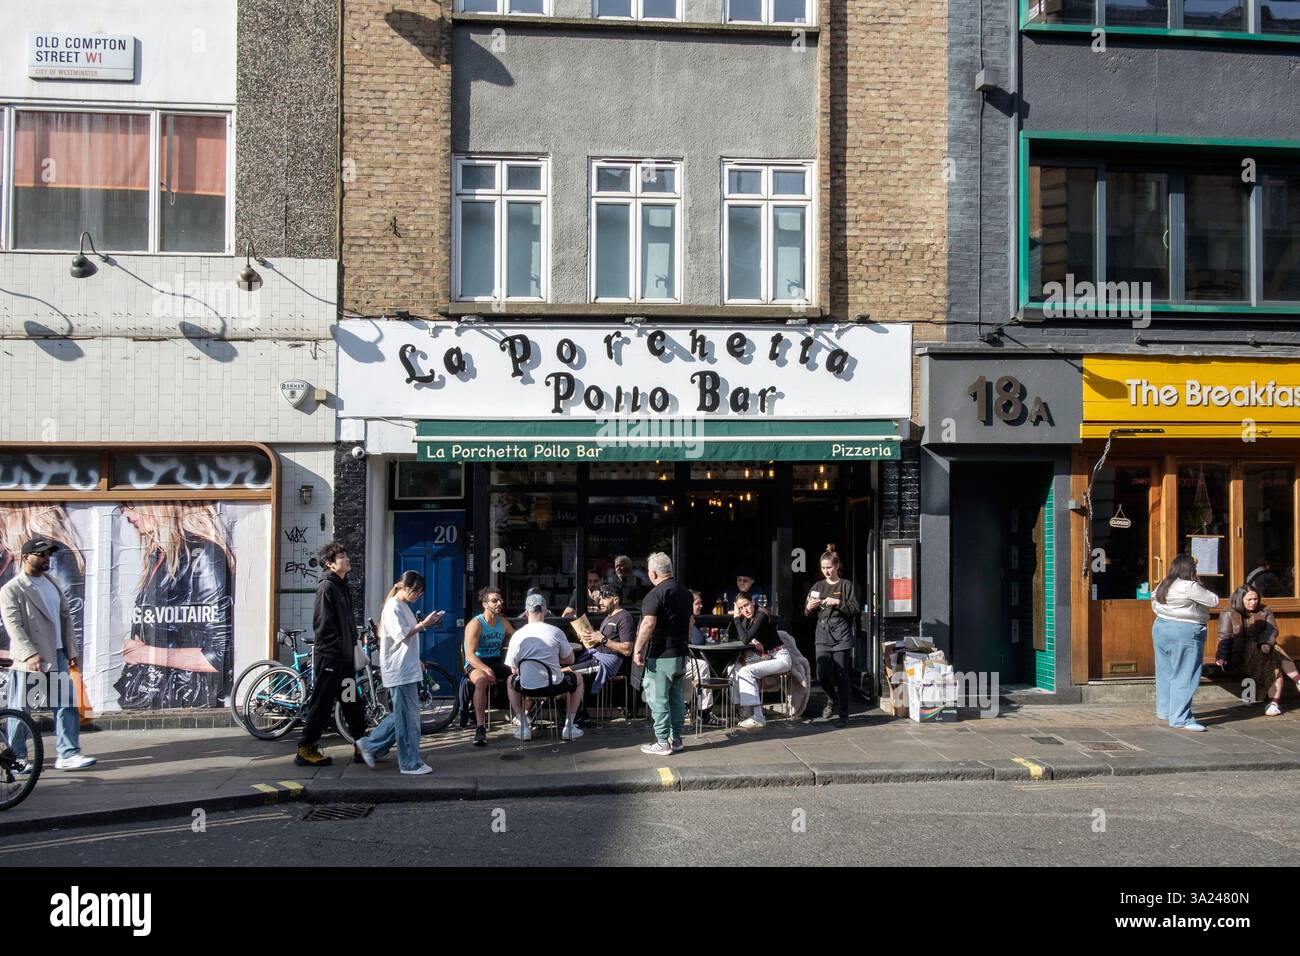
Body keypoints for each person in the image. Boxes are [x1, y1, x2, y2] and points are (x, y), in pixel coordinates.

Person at [114, 503, 235, 709]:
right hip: (148, 694)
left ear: (163, 505)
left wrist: (144, 653)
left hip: (184, 699)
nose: (125, 513)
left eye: (131, 504)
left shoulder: (203, 555)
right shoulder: (158, 556)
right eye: (122, 507)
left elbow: (217, 657)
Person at [0, 536, 96, 770]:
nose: (47, 558)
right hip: (33, 658)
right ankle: (16, 759)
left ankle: (68, 754)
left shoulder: (52, 583)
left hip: (58, 654)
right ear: (25, 557)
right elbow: (14, 626)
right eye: (41, 554)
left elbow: (64, 619)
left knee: (66, 704)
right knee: (21, 709)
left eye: (48, 554)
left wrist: (70, 650)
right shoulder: (13, 589)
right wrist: (30, 654)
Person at [356, 571, 443, 775]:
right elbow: (401, 635)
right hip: (400, 669)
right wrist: (424, 624)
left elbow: (405, 640)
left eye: (420, 593)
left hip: (406, 667)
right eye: (416, 592)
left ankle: (369, 746)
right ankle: (409, 763)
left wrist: (417, 660)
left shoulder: (402, 606)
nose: (417, 596)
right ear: (404, 587)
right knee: (408, 719)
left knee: (402, 716)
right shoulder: (394, 607)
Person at [296, 542, 367, 766]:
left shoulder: (342, 585)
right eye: (342, 556)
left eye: (346, 555)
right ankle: (306, 749)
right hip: (331, 658)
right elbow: (323, 625)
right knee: (322, 703)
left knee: (351, 701)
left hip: (344, 659)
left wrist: (353, 642)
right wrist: (338, 648)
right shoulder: (327, 587)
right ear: (330, 563)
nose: (347, 559)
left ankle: (361, 746)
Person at [1151, 552, 1219, 732]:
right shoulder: (1190, 586)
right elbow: (1213, 601)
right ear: (1191, 569)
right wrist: (1198, 582)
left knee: (1165, 672)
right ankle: (1181, 718)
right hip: (1185, 631)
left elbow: (1154, 602)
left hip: (1161, 627)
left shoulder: (1164, 583)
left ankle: (1165, 711)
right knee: (1185, 674)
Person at [634, 552, 692, 755]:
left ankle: (662, 742)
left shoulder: (656, 594)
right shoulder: (685, 592)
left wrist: (638, 649)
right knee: (676, 698)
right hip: (679, 653)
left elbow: (648, 623)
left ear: (653, 573)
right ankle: (676, 739)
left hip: (660, 655)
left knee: (658, 699)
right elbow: (690, 623)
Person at [504, 593, 584, 741]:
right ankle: (569, 726)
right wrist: (553, 657)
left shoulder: (517, 635)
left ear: (526, 612)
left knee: (510, 680)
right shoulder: (555, 632)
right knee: (578, 678)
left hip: (526, 687)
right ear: (546, 611)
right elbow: (570, 659)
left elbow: (514, 669)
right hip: (554, 686)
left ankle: (523, 727)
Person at [1215, 584, 1300, 717]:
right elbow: (1225, 636)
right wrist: (1221, 656)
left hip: (1265, 646)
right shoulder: (1229, 612)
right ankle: (1279, 698)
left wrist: (1266, 643)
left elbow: (1271, 630)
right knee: (1273, 654)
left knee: (1275, 656)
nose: (1253, 602)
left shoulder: (1265, 610)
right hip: (1242, 649)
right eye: (1249, 599)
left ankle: (1275, 702)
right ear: (1240, 599)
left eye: (1255, 599)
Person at [805, 544, 860, 728]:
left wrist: (838, 602)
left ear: (836, 566)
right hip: (822, 634)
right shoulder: (817, 586)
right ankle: (832, 698)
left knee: (842, 675)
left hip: (841, 634)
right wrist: (809, 608)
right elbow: (806, 611)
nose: (826, 571)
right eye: (823, 568)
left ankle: (844, 714)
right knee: (822, 675)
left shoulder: (846, 585)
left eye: (829, 567)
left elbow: (855, 609)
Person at [729, 594, 791, 731]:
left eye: (746, 605)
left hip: (780, 657)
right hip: (766, 657)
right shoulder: (749, 618)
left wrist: (736, 618)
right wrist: (752, 639)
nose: (745, 610)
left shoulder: (761, 614)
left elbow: (744, 639)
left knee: (746, 671)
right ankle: (743, 711)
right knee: (734, 667)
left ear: (753, 601)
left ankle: (758, 717)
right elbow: (739, 636)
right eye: (741, 608)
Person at [463, 587, 514, 747]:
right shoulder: (476, 624)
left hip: (496, 660)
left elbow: (517, 638)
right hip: (476, 662)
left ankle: (523, 716)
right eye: (494, 601)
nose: (499, 603)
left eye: (500, 600)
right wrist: (486, 669)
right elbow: (469, 655)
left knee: (519, 675)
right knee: (481, 681)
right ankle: (480, 727)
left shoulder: (503, 623)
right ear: (485, 604)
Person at [573, 583, 634, 698]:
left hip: (606, 662)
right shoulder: (608, 617)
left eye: (605, 598)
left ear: (616, 600)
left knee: (567, 674)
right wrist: (589, 638)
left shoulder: (625, 618)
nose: (600, 602)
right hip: (596, 655)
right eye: (600, 598)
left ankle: (576, 713)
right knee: (566, 668)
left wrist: (602, 639)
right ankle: (577, 712)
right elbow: (601, 641)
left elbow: (627, 649)